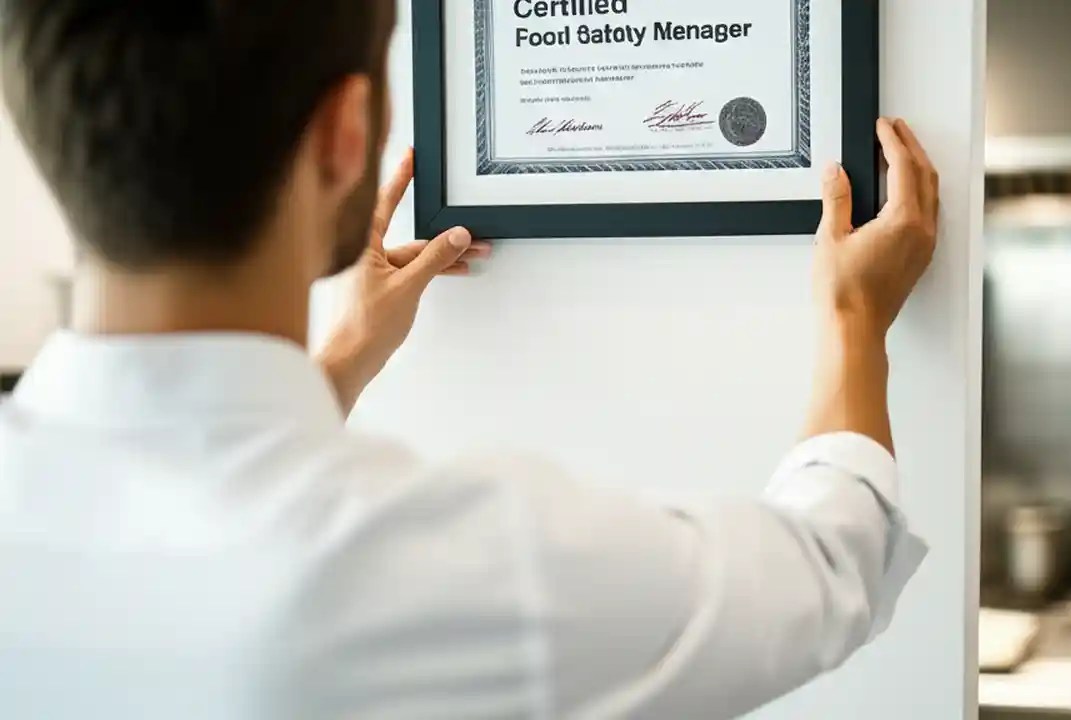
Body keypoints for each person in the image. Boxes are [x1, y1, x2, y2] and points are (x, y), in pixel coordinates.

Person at [0, 1, 940, 718]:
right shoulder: (453, 566)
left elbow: (191, 498)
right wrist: (854, 315)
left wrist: (344, 359)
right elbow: (824, 571)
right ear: (344, 136)